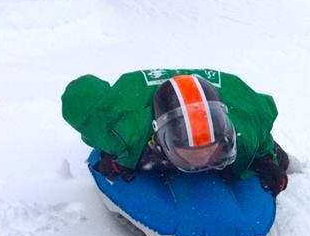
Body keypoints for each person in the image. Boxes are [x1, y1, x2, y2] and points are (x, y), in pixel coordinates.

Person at [62, 68, 289, 196]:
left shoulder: (247, 129)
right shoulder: (122, 130)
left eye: (211, 150)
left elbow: (259, 136)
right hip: (136, 95)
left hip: (227, 91)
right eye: (191, 153)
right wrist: (115, 158)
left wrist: (266, 159)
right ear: (162, 141)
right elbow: (79, 97)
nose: (202, 161)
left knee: (281, 161)